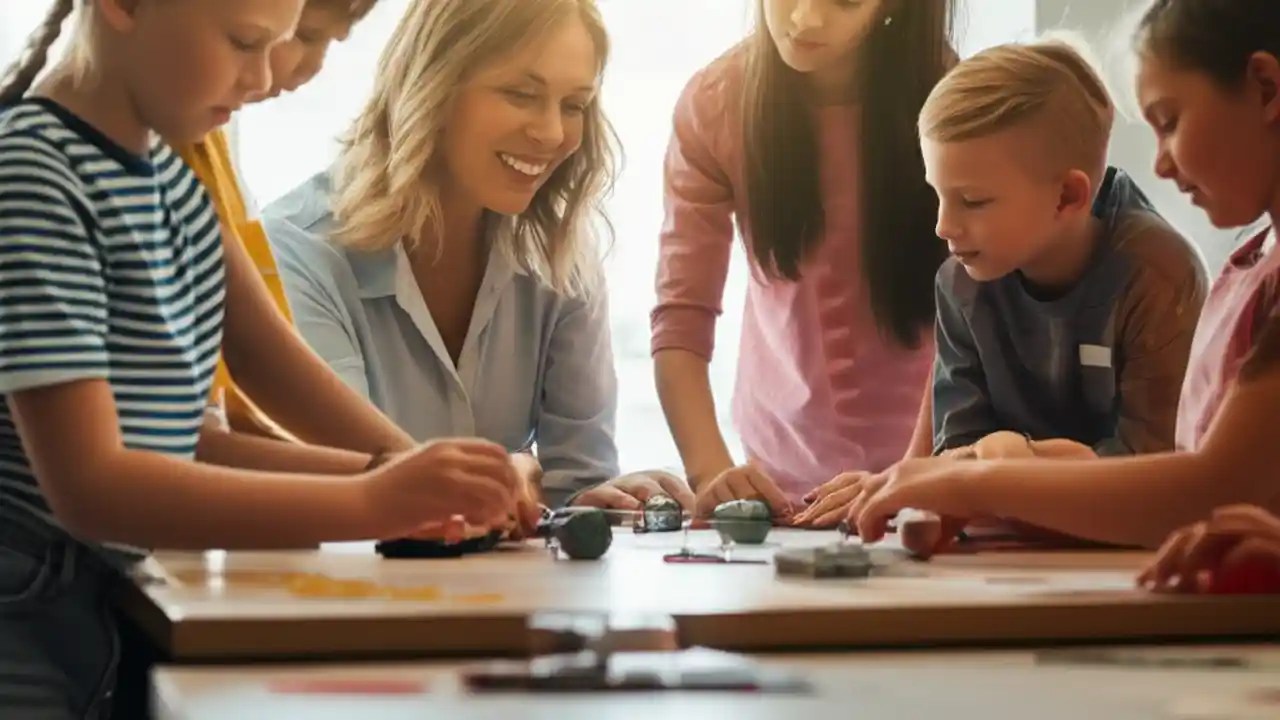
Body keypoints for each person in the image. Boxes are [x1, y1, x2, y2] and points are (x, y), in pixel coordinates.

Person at [0, 1, 521, 716]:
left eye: (277, 44)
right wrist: (373, 499)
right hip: (22, 636)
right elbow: (91, 485)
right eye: (245, 43)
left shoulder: (176, 190)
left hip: (103, 622)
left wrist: (431, 484)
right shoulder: (32, 175)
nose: (265, 76)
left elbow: (223, 401)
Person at [842, 0, 1280, 555]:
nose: (1161, 166)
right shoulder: (1252, 265)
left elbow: (1206, 489)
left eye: (1169, 122)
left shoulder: (1165, 272)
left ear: (1266, 89)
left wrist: (980, 476)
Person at [264, 0, 695, 511]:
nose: (553, 133)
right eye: (521, 94)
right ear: (433, 86)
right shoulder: (298, 249)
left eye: (574, 105)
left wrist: (608, 501)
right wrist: (503, 486)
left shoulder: (559, 256)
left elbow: (574, 484)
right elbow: (348, 476)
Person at [793, 39, 1208, 531]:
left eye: (972, 200)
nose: (943, 226)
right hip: (1010, 547)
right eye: (938, 195)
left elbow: (1154, 472)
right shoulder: (961, 281)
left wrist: (1005, 462)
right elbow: (955, 453)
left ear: (1067, 196)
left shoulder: (1158, 275)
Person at [651, 0, 955, 519]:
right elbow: (681, 317)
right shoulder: (716, 103)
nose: (806, 19)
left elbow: (993, 316)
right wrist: (714, 475)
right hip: (779, 482)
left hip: (930, 474)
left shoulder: (955, 101)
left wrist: (918, 472)